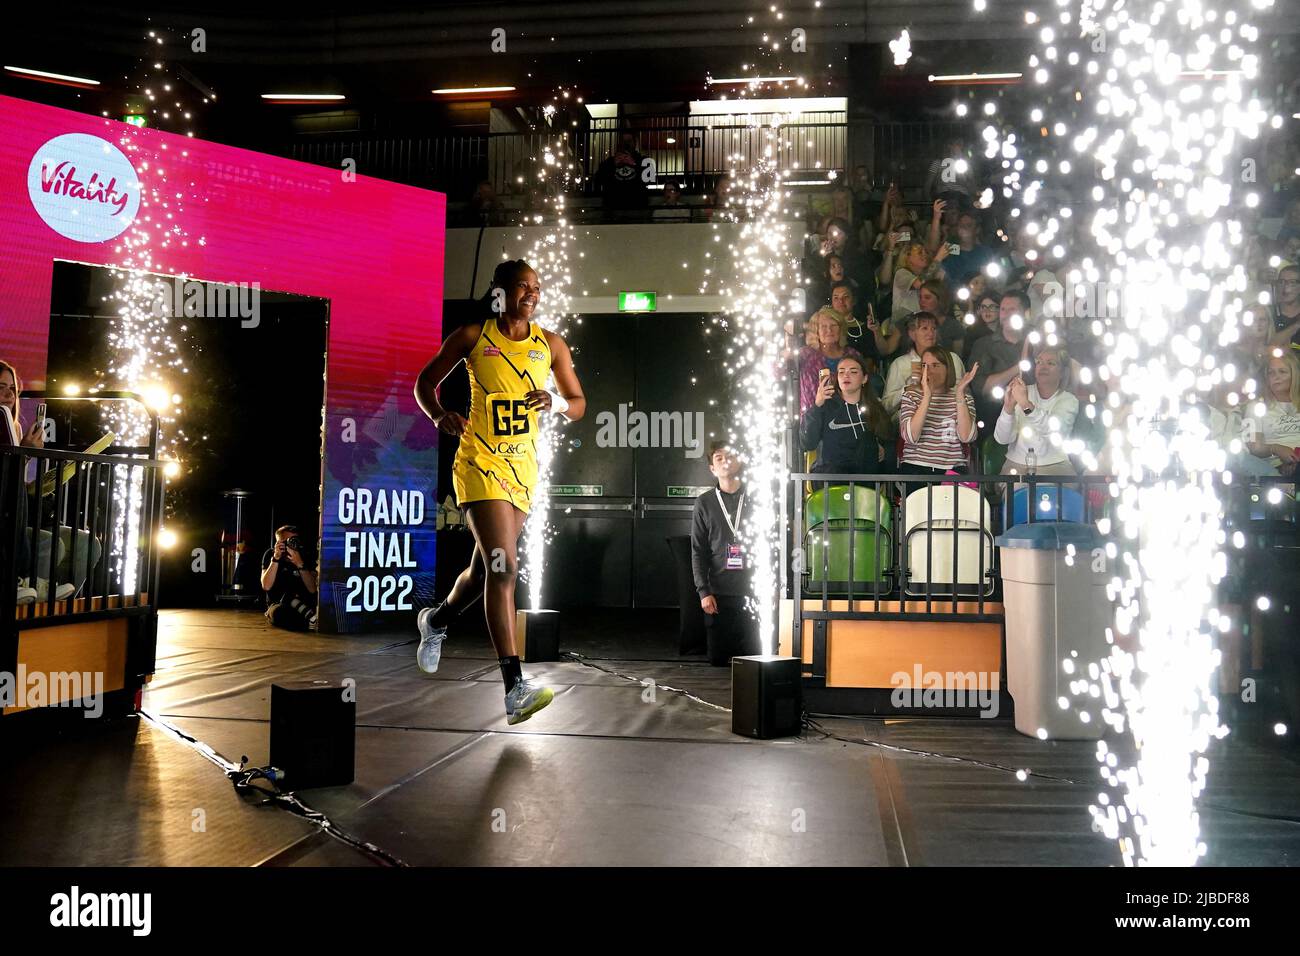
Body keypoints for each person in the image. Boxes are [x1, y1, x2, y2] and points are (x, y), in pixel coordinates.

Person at [413, 259, 587, 724]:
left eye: (536, 287)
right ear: (500, 291)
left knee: (481, 569)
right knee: (504, 567)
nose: (531, 294)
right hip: (479, 463)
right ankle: (514, 688)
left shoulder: (550, 345)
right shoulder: (473, 336)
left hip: (522, 471)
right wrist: (438, 415)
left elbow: (579, 404)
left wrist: (556, 401)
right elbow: (424, 382)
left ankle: (437, 621)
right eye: (521, 286)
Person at [691, 443, 760, 667]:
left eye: (729, 456)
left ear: (738, 462)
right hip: (719, 594)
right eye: (719, 458)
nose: (724, 461)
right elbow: (698, 551)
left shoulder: (757, 497)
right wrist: (704, 591)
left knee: (753, 659)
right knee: (718, 660)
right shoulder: (705, 502)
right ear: (712, 468)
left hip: (753, 592)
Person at [800, 354, 893, 474]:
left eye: (853, 372)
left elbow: (889, 440)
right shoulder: (825, 407)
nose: (846, 375)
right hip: (831, 479)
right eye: (841, 372)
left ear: (864, 378)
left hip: (865, 480)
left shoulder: (875, 408)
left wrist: (883, 450)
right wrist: (817, 405)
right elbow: (807, 443)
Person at [994, 347, 1079, 476]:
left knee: (1054, 495)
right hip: (1017, 465)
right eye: (1039, 362)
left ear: (1062, 372)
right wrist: (1008, 409)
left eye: (1050, 363)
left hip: (1056, 466)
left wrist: (1025, 404)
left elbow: (1054, 431)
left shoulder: (1069, 400)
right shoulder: (1021, 391)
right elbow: (1002, 439)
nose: (1043, 367)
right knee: (1018, 494)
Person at [899, 346, 980, 474]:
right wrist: (927, 396)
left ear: (948, 369)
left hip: (952, 470)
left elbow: (967, 437)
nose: (928, 371)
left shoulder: (965, 399)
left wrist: (959, 394)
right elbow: (910, 436)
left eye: (935, 365)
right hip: (916, 467)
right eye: (924, 365)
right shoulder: (911, 395)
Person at [881, 312, 968, 419]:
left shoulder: (953, 359)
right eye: (924, 328)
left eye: (934, 328)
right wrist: (908, 389)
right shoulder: (900, 364)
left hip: (948, 417)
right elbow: (886, 407)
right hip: (911, 420)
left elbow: (965, 396)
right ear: (912, 334)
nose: (930, 333)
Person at [797, 307, 866, 412]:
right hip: (813, 417)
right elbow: (778, 373)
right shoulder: (805, 354)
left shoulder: (852, 354)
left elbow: (864, 385)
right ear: (816, 331)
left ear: (841, 329)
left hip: (849, 415)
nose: (829, 330)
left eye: (834, 325)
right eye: (823, 326)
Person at [1244, 350, 1300, 476]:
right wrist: (1276, 448)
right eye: (1271, 373)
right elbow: (1254, 447)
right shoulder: (1255, 407)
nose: (1276, 377)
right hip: (1275, 466)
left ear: (1294, 375)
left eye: (1282, 372)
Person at [260, 525, 318, 630]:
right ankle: (309, 622)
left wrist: (300, 563)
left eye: (294, 540)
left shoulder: (305, 554)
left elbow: (313, 589)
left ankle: (308, 620)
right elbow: (266, 586)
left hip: (303, 602)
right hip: (279, 604)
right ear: (278, 543)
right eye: (287, 541)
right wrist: (276, 559)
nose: (291, 543)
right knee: (279, 613)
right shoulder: (270, 554)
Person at [1268, 264, 1300, 353]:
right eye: (1281, 282)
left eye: (1292, 282)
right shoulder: (1268, 313)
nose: (1285, 287)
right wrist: (1296, 325)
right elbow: (1267, 345)